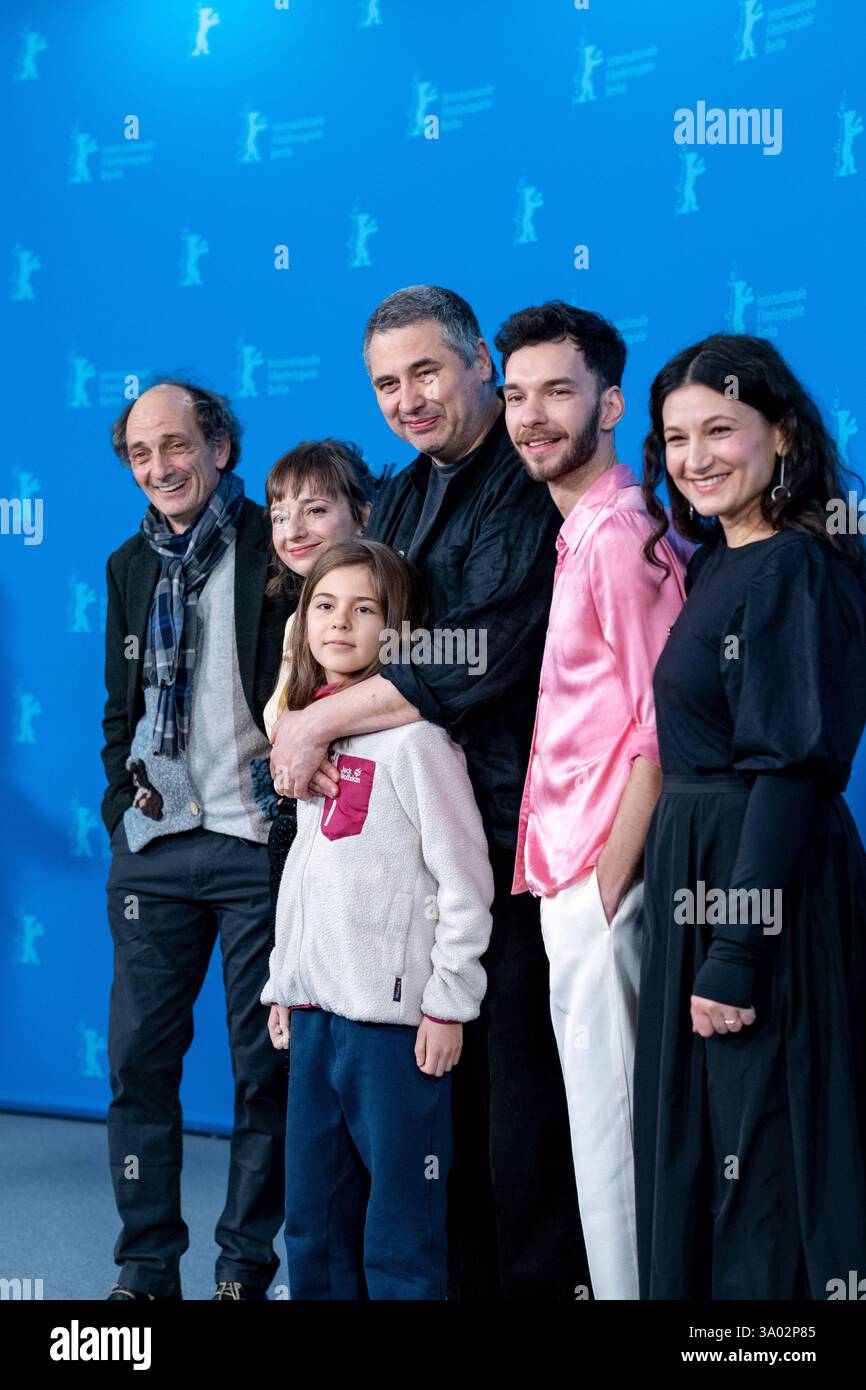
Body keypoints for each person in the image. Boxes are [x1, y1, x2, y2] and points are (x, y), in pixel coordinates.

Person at [269, 285, 586, 1299]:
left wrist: (319, 720)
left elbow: (480, 656)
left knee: (511, 1120)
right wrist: (293, 713)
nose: (406, 397)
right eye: (385, 382)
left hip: (504, 847)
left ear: (478, 362)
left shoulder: (528, 486)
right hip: (390, 859)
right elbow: (356, 631)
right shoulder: (401, 492)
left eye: (424, 372)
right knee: (416, 1126)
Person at [635, 333, 866, 1298]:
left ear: (781, 433)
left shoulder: (793, 571)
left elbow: (789, 772)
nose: (695, 459)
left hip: (756, 892)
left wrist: (735, 951)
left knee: (761, 1159)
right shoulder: (722, 562)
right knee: (714, 1151)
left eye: (720, 430)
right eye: (676, 439)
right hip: (706, 878)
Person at [495, 302, 692, 1299]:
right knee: (598, 1131)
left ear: (610, 403)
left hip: (599, 877)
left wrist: (609, 883)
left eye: (555, 393)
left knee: (612, 1137)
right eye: (514, 394)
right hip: (568, 872)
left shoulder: (618, 534)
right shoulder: (580, 530)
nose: (529, 416)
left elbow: (668, 722)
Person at [261, 539, 494, 1299]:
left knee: (401, 1228)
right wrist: (285, 986)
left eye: (366, 609)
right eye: (325, 605)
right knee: (313, 1223)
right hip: (318, 1019)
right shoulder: (310, 733)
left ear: (399, 632)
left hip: (396, 1034)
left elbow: (463, 880)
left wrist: (449, 1003)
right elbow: (304, 878)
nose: (341, 623)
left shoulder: (420, 743)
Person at [101, 380, 292, 1300]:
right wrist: (121, 810)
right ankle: (145, 1272)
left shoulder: (282, 547)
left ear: (220, 447)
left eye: (176, 446)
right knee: (140, 1067)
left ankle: (243, 1271)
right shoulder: (127, 566)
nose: (159, 469)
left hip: (257, 844)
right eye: (141, 455)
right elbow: (120, 708)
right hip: (155, 846)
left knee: (265, 1074)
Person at [259, 439, 376, 1046]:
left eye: (313, 509)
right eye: (279, 514)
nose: (292, 529)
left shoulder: (389, 611)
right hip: (293, 830)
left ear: (362, 512)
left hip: (357, 841)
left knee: (353, 1024)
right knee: (297, 1023)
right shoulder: (292, 621)